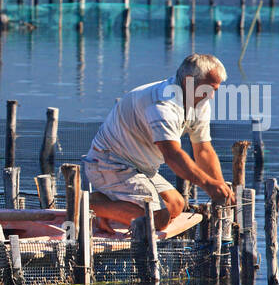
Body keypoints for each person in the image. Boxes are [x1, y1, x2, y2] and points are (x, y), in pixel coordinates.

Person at [82, 53, 235, 232]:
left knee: (176, 205)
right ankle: (85, 207)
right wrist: (208, 185)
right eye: (209, 89)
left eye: (215, 90)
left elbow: (203, 150)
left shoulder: (198, 102)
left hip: (141, 167)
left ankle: (105, 205)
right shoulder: (163, 104)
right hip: (108, 164)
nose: (211, 97)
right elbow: (172, 155)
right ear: (188, 81)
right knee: (158, 220)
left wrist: (220, 186)